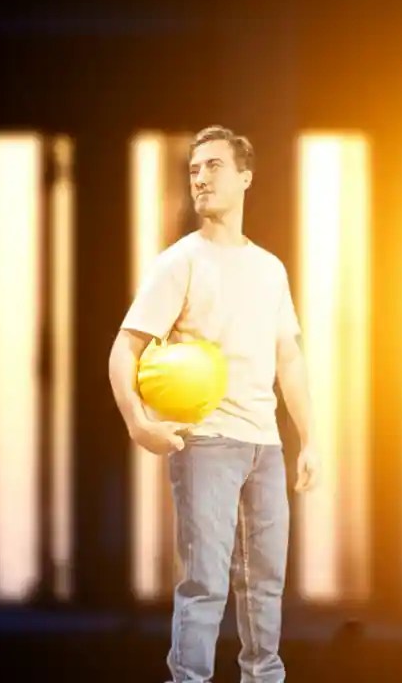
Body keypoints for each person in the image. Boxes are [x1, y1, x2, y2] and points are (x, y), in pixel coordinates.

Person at [108, 125, 321, 682]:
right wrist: (139, 424)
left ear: (245, 176)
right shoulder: (180, 261)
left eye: (213, 166)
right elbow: (124, 348)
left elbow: (289, 359)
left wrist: (309, 439)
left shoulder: (270, 268)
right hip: (204, 442)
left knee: (266, 582)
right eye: (194, 169)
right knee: (204, 583)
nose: (200, 177)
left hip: (265, 445)